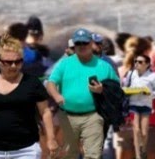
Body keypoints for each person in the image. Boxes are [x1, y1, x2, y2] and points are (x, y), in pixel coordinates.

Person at [0, 35, 58, 159]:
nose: (13, 66)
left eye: (18, 62)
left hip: (26, 150)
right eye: (8, 62)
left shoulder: (32, 83)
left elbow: (45, 112)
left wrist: (51, 139)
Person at [46, 27, 119, 159]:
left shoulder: (104, 66)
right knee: (69, 154)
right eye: (78, 43)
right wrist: (56, 96)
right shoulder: (64, 64)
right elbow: (51, 82)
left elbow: (116, 88)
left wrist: (102, 89)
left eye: (84, 43)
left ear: (91, 44)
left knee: (92, 155)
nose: (81, 46)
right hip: (67, 116)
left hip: (93, 116)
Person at [122, 53, 155, 159]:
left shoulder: (153, 76)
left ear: (147, 64)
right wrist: (130, 91)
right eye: (135, 61)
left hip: (146, 105)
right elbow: (123, 88)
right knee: (136, 129)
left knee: (144, 132)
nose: (137, 64)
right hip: (133, 104)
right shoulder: (130, 74)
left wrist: (149, 93)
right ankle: (138, 155)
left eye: (140, 62)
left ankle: (143, 151)